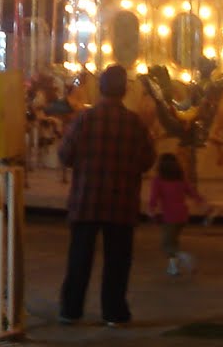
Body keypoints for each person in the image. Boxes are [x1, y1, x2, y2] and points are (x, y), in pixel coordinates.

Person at [56, 65, 156, 326]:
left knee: (79, 257)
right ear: (124, 90)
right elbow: (148, 159)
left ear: (100, 88)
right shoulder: (134, 123)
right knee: (118, 261)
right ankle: (114, 311)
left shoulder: (84, 119)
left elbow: (65, 155)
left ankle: (71, 309)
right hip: (121, 202)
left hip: (86, 199)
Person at [148, 152, 206, 276]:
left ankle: (184, 257)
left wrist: (151, 211)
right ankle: (173, 268)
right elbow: (193, 193)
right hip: (183, 216)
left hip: (169, 216)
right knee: (173, 241)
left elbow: (153, 198)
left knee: (166, 245)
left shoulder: (158, 180)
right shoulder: (181, 180)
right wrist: (202, 203)